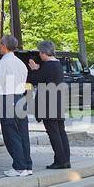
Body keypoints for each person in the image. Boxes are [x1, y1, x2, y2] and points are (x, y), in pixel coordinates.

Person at [0, 33, 32, 176]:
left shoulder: (4, 62)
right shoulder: (20, 63)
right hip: (20, 97)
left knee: (11, 133)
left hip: (8, 98)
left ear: (5, 46)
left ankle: (19, 166)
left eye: (1, 44)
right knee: (22, 132)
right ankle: (27, 165)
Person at [28, 40, 70, 170]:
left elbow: (34, 80)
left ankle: (60, 161)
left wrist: (34, 70)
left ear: (44, 52)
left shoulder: (48, 65)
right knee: (61, 132)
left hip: (48, 104)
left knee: (53, 133)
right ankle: (65, 159)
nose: (39, 55)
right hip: (57, 102)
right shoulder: (57, 64)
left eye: (40, 52)